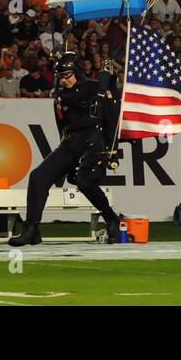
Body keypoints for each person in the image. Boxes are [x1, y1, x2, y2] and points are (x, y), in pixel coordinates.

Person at [9, 52, 122, 246]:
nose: (63, 79)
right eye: (60, 76)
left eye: (67, 75)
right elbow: (63, 126)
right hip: (71, 143)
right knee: (38, 177)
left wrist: (112, 152)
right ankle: (32, 229)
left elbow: (112, 120)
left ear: (77, 72)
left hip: (95, 142)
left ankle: (111, 219)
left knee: (84, 180)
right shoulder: (61, 97)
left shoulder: (97, 89)